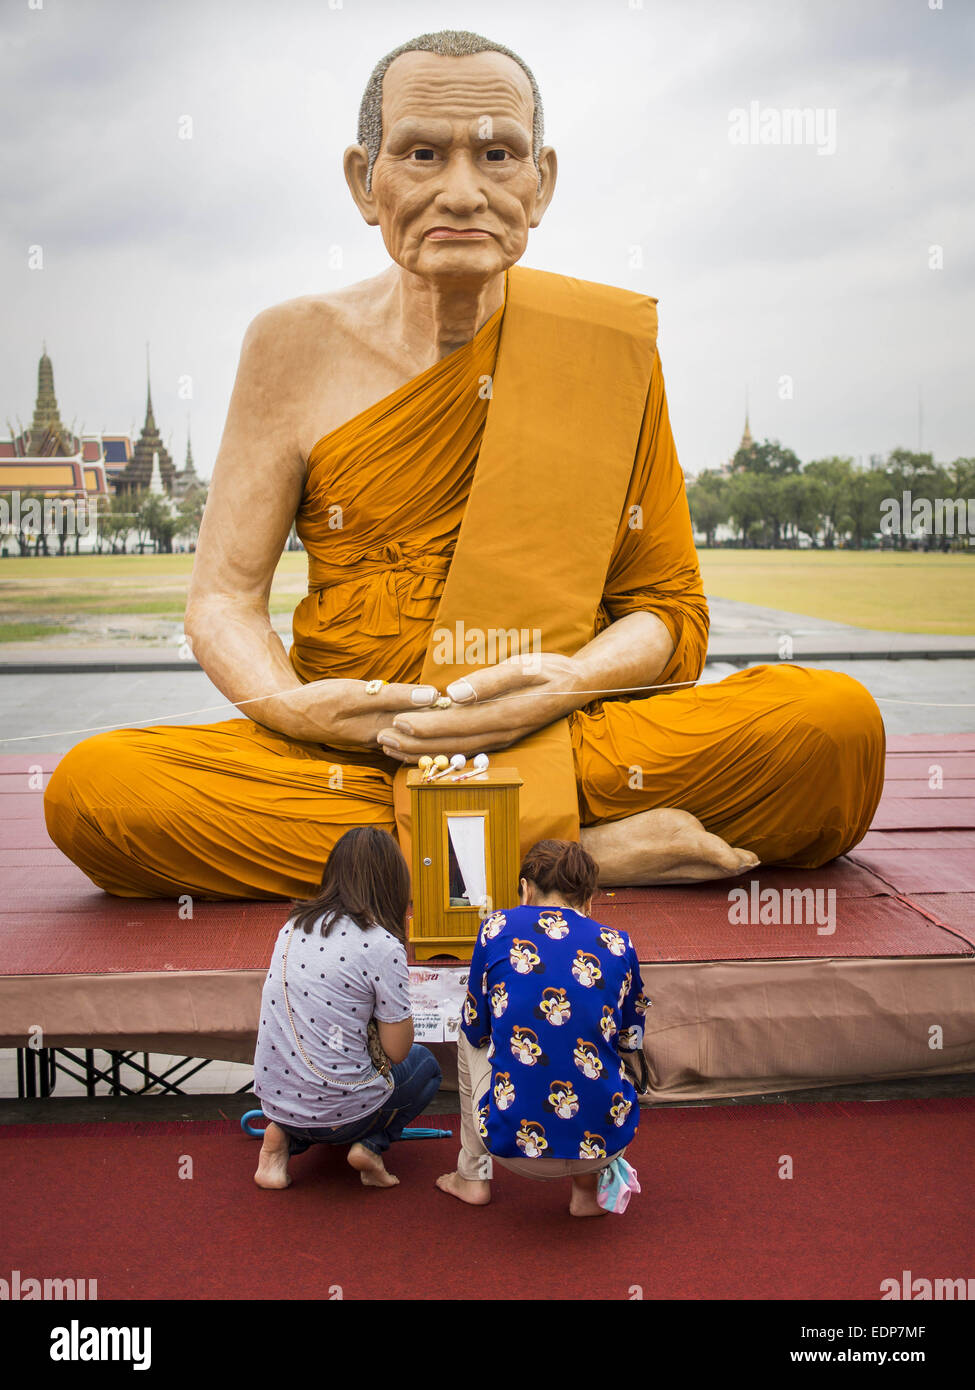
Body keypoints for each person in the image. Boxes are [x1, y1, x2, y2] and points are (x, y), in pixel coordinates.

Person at [43, 28, 885, 902]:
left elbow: (667, 613)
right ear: (364, 182)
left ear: (540, 180)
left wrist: (568, 680)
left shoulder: (600, 348)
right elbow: (222, 601)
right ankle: (580, 859)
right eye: (420, 153)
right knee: (96, 793)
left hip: (567, 733)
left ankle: (426, 867)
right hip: (361, 750)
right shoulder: (290, 345)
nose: (462, 190)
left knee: (832, 729)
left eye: (496, 153)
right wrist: (290, 707)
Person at [436, 840, 649, 1217]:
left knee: (467, 1035)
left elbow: (475, 1026)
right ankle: (586, 1192)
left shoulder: (497, 927)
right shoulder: (618, 943)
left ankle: (472, 1175)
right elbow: (631, 1039)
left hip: (512, 1145)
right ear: (587, 898)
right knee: (598, 1049)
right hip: (603, 1143)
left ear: (525, 888)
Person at [252, 826, 440, 1190]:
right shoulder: (383, 945)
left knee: (311, 1079)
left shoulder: (291, 927)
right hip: (345, 1114)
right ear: (393, 883)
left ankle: (282, 1141)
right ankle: (370, 1144)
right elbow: (397, 1052)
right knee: (426, 1067)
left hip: (276, 1103)